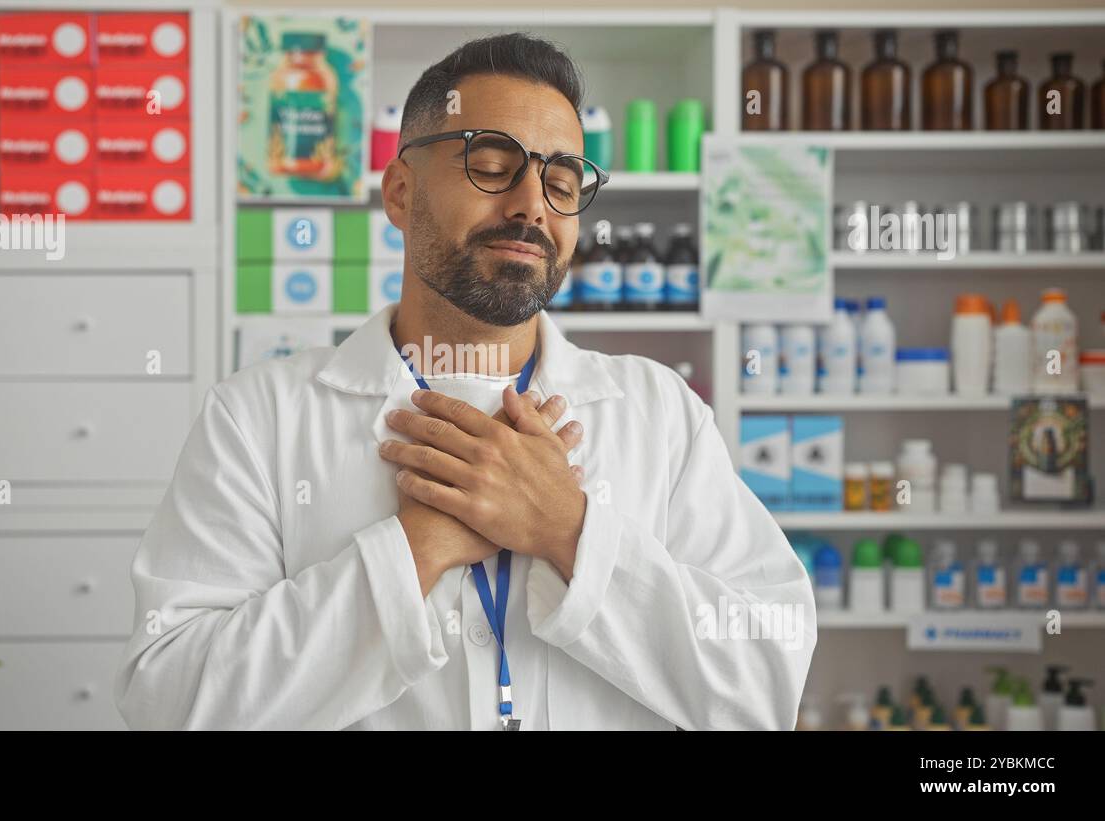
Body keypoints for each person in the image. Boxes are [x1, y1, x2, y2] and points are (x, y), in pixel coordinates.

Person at [115, 33, 815, 730]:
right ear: (399, 191)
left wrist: (570, 531)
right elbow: (169, 703)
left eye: (562, 183)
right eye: (490, 164)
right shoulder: (257, 418)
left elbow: (763, 684)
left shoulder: (662, 414)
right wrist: (414, 551)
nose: (531, 206)